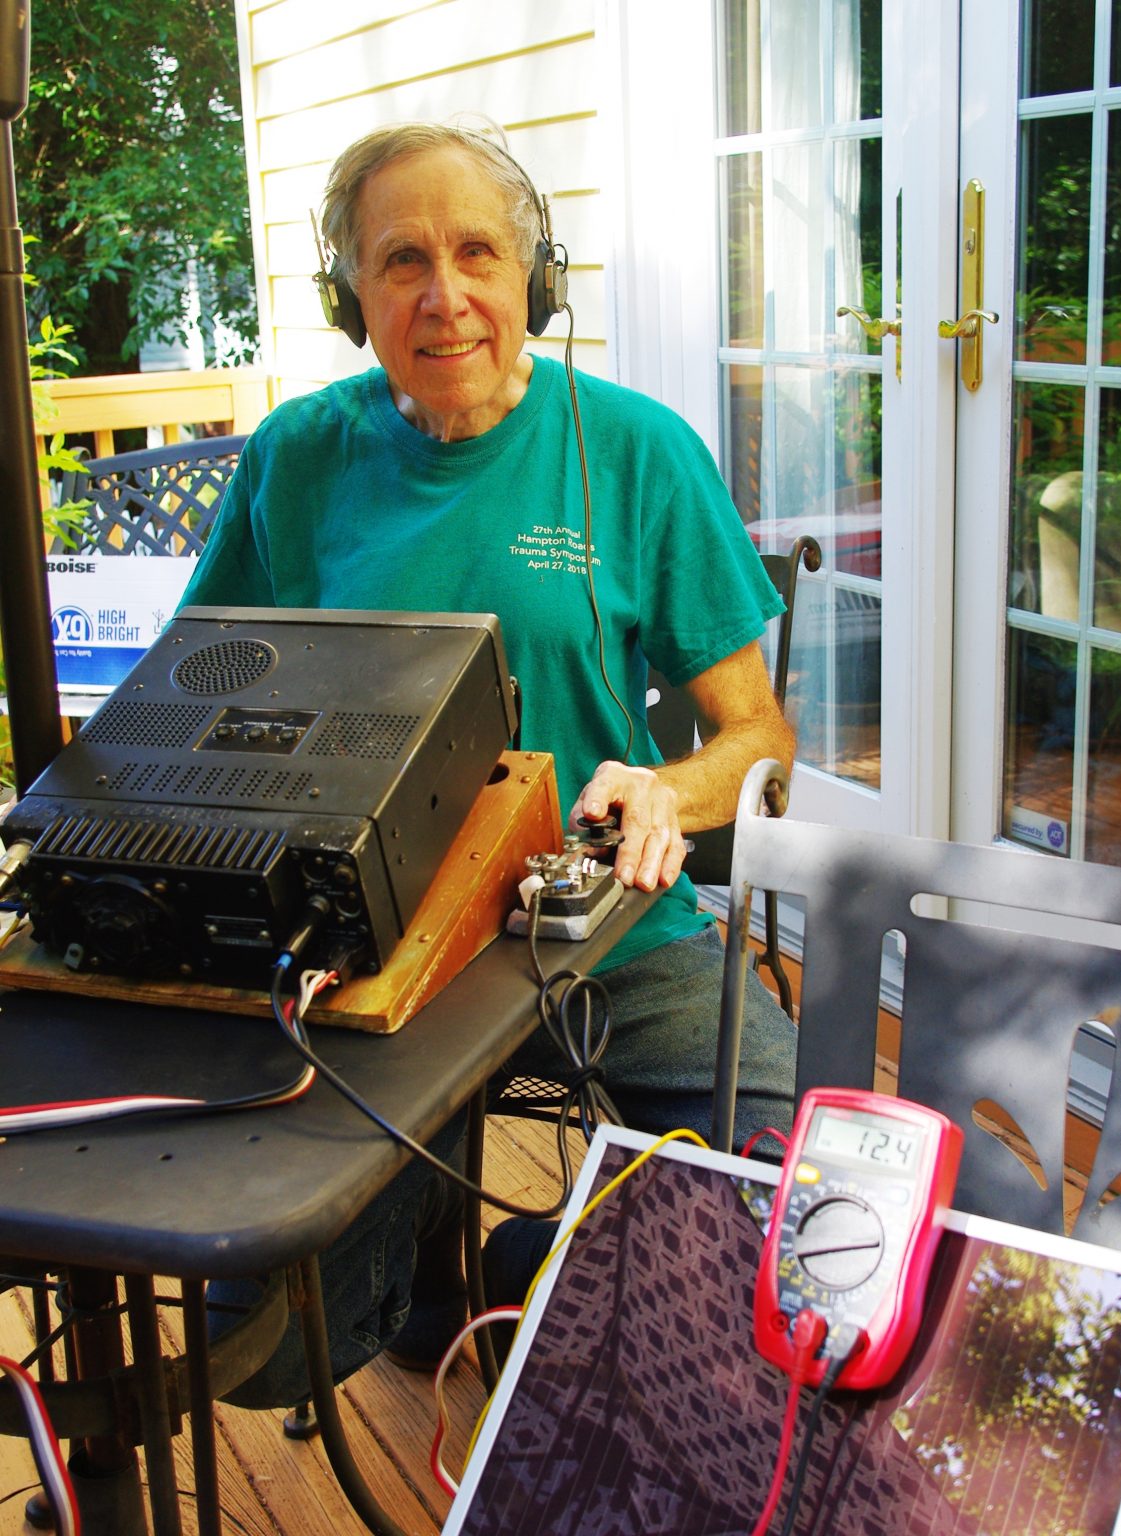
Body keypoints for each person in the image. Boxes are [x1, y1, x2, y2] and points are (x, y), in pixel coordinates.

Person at [181, 121, 797, 1404]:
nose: (444, 295)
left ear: (535, 279)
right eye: (401, 260)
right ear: (350, 296)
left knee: (792, 1219)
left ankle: (518, 1258)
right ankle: (424, 1258)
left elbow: (760, 742)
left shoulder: (635, 451)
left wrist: (664, 790)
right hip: (371, 960)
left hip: (605, 932)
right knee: (270, 1353)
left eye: (477, 253)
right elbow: (203, 694)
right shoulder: (296, 458)